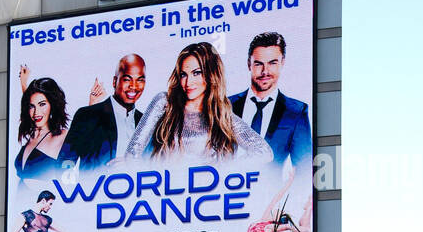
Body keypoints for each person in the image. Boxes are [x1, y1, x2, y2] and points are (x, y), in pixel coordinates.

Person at [124, 42, 271, 164]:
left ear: (210, 74)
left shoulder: (223, 117)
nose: (188, 82)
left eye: (196, 73)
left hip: (204, 194)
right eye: (183, 75)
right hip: (164, 190)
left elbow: (264, 152)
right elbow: (132, 153)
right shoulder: (164, 102)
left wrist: (227, 172)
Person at [229, 32, 312, 170]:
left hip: (273, 190)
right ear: (249, 64)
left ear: (282, 63)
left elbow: (304, 168)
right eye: (258, 64)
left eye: (272, 63)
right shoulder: (225, 106)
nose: (265, 71)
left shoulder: (296, 111)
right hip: (226, 189)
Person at [61, 54, 146, 170]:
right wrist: (68, 186)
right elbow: (65, 161)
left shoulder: (146, 123)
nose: (134, 86)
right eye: (127, 79)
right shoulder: (87, 116)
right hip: (97, 187)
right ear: (115, 81)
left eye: (140, 80)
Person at [14, 74, 72, 181]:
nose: (36, 112)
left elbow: (85, 141)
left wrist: (92, 106)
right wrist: (23, 83)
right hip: (21, 197)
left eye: (42, 104)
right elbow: (32, 102)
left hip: (47, 196)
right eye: (32, 107)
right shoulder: (33, 135)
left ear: (52, 105)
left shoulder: (62, 136)